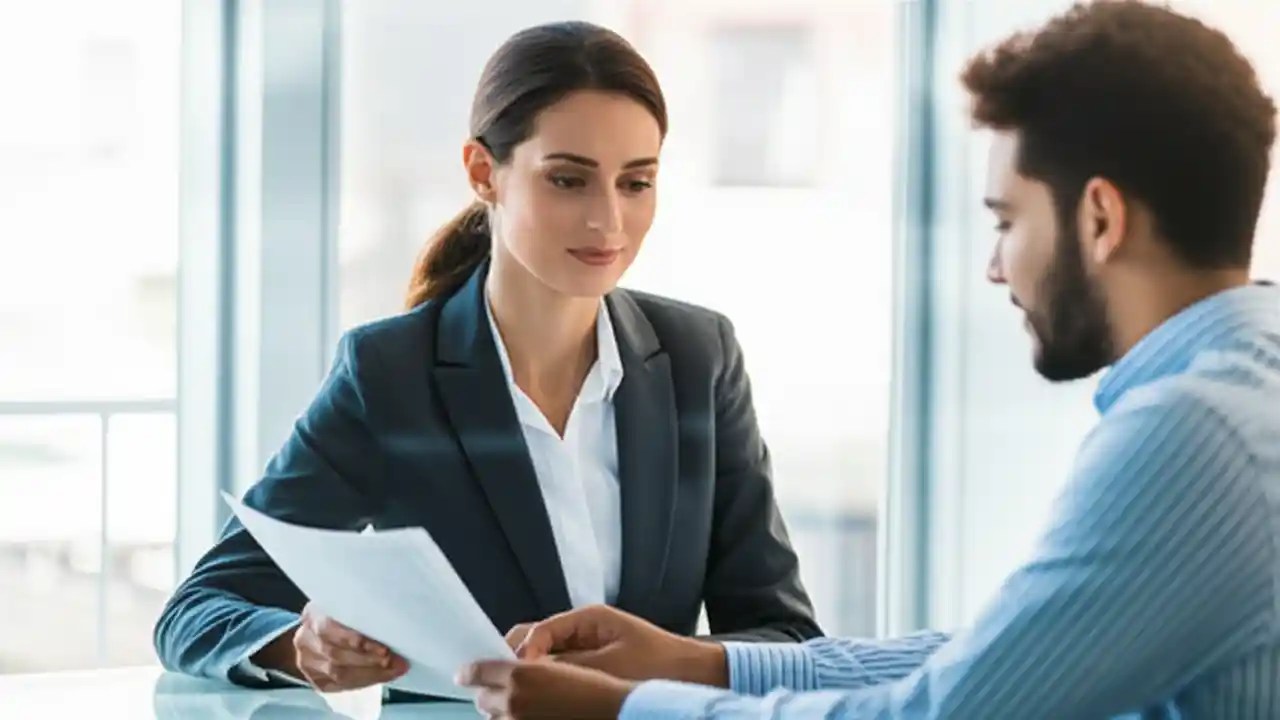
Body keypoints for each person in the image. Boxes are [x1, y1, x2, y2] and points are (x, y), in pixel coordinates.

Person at [456, 2, 1280, 717]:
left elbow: (943, 711)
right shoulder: (1251, 384)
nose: (996, 266)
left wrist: (631, 710)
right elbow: (1005, 656)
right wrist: (701, 660)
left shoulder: (1192, 434)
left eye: (1005, 221)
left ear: (1100, 219)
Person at [153, 21, 821, 695]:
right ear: (483, 172)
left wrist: (663, 663)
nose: (608, 222)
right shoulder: (392, 375)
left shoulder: (699, 360)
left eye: (636, 183)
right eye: (568, 180)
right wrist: (298, 647)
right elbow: (196, 611)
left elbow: (786, 638)